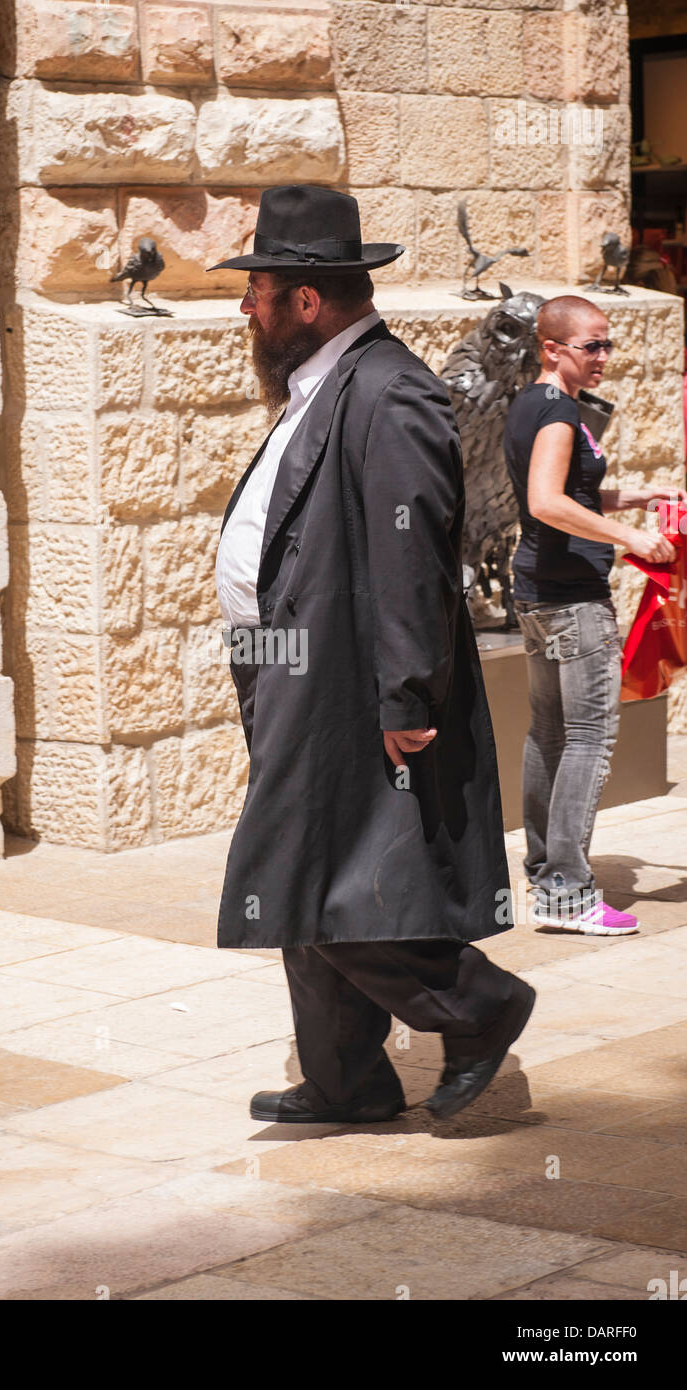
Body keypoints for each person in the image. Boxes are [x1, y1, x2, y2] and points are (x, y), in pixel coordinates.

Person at [208, 185, 535, 1125]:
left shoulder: (389, 392)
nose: (245, 309)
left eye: (256, 291)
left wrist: (405, 697)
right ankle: (348, 1081)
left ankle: (477, 1006)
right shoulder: (326, 383)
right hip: (288, 667)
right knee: (305, 877)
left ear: (305, 302)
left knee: (304, 876)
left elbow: (410, 562)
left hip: (348, 684)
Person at [504, 294, 686, 936]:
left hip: (537, 593)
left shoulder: (535, 405)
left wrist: (642, 494)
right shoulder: (558, 411)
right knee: (587, 738)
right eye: (593, 346)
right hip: (572, 602)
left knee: (550, 733)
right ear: (552, 348)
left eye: (608, 343)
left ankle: (545, 870)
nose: (604, 356)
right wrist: (629, 537)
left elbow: (574, 489)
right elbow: (547, 501)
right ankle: (567, 894)